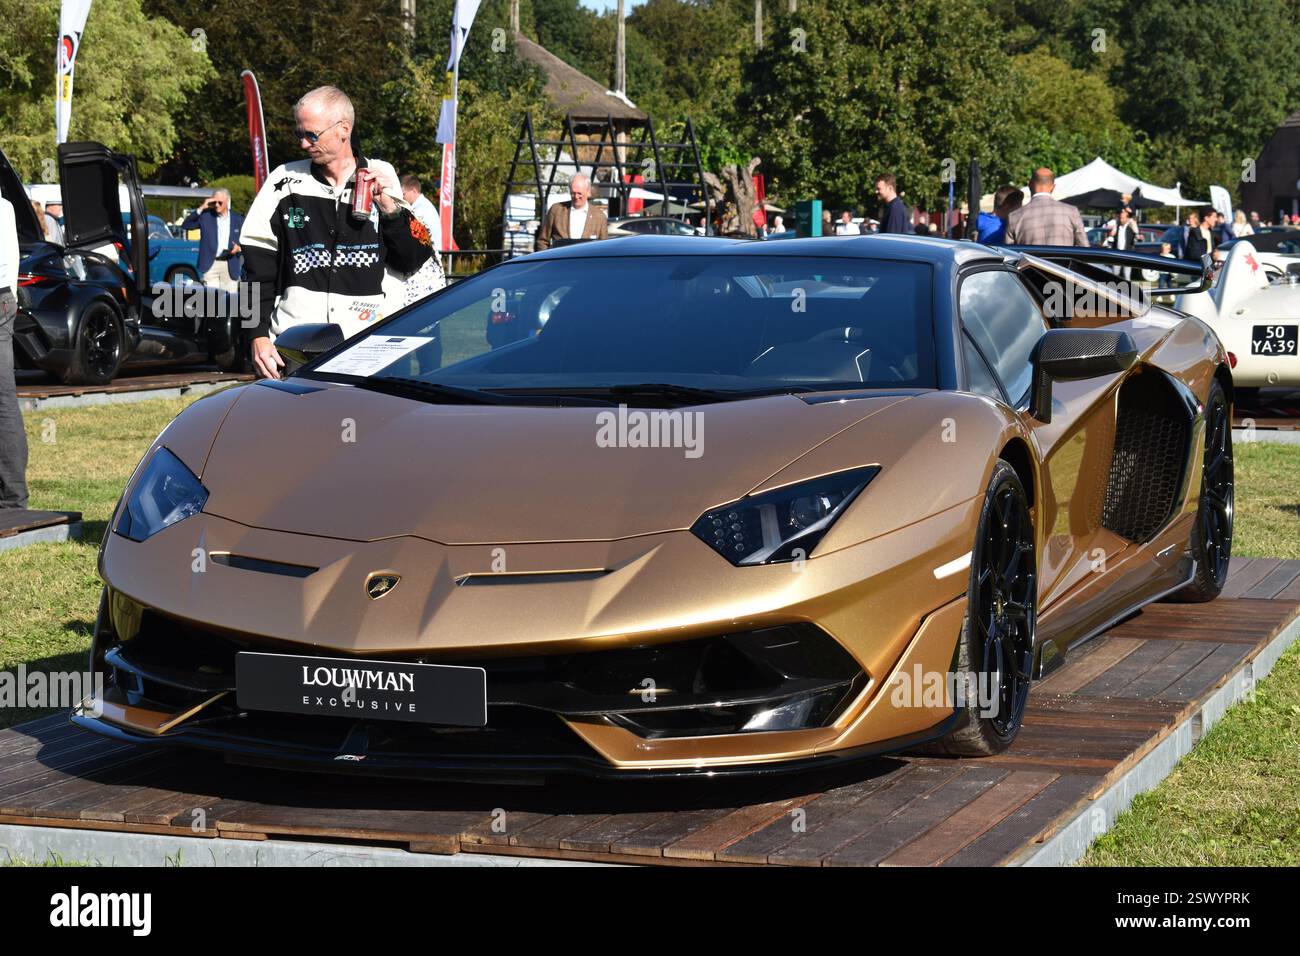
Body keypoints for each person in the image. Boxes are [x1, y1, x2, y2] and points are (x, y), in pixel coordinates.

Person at [241, 85, 433, 380]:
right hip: (294, 348)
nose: (303, 144)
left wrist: (390, 211)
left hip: (369, 349)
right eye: (299, 134)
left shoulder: (381, 175)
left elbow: (412, 258)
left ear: (344, 129)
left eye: (311, 135)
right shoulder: (284, 181)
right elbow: (255, 269)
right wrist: (256, 334)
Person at [0, 193, 28, 510]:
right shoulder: (6, 207)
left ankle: (11, 495)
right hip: (5, 297)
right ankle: (12, 494)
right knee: (5, 399)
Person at [1004, 168, 1090, 246]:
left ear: (1030, 185)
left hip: (1029, 263)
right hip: (1061, 263)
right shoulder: (1071, 212)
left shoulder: (1014, 216)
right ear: (1053, 187)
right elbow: (1085, 248)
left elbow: (1009, 254)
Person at [181, 188, 243, 291]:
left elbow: (247, 240)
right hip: (210, 264)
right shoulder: (206, 216)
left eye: (220, 202)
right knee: (212, 302)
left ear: (227, 201)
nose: (217, 205)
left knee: (230, 301)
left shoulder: (238, 219)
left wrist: (239, 248)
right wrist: (201, 208)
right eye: (214, 202)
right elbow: (186, 225)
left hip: (230, 264)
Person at [534, 173, 608, 250]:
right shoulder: (556, 210)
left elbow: (604, 247)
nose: (576, 197)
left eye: (579, 193)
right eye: (573, 193)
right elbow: (542, 241)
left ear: (588, 192)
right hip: (560, 260)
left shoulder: (600, 217)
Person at [400, 174, 442, 252]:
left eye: (403, 194)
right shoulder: (422, 206)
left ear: (414, 191)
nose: (402, 197)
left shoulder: (422, 210)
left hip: (428, 258)